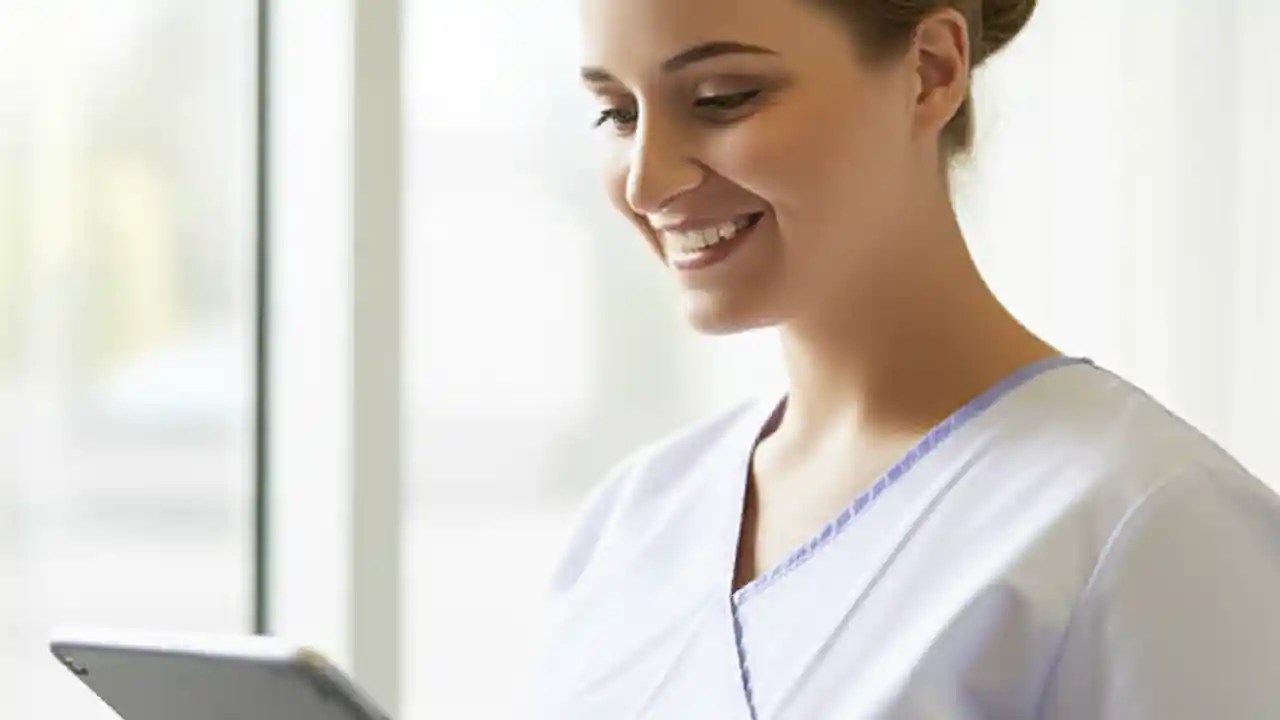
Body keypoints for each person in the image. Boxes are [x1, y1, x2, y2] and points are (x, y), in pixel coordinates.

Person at [537, 0, 1280, 717]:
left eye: (722, 98)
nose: (647, 181)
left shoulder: (1150, 526)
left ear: (929, 71)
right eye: (619, 113)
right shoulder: (631, 526)